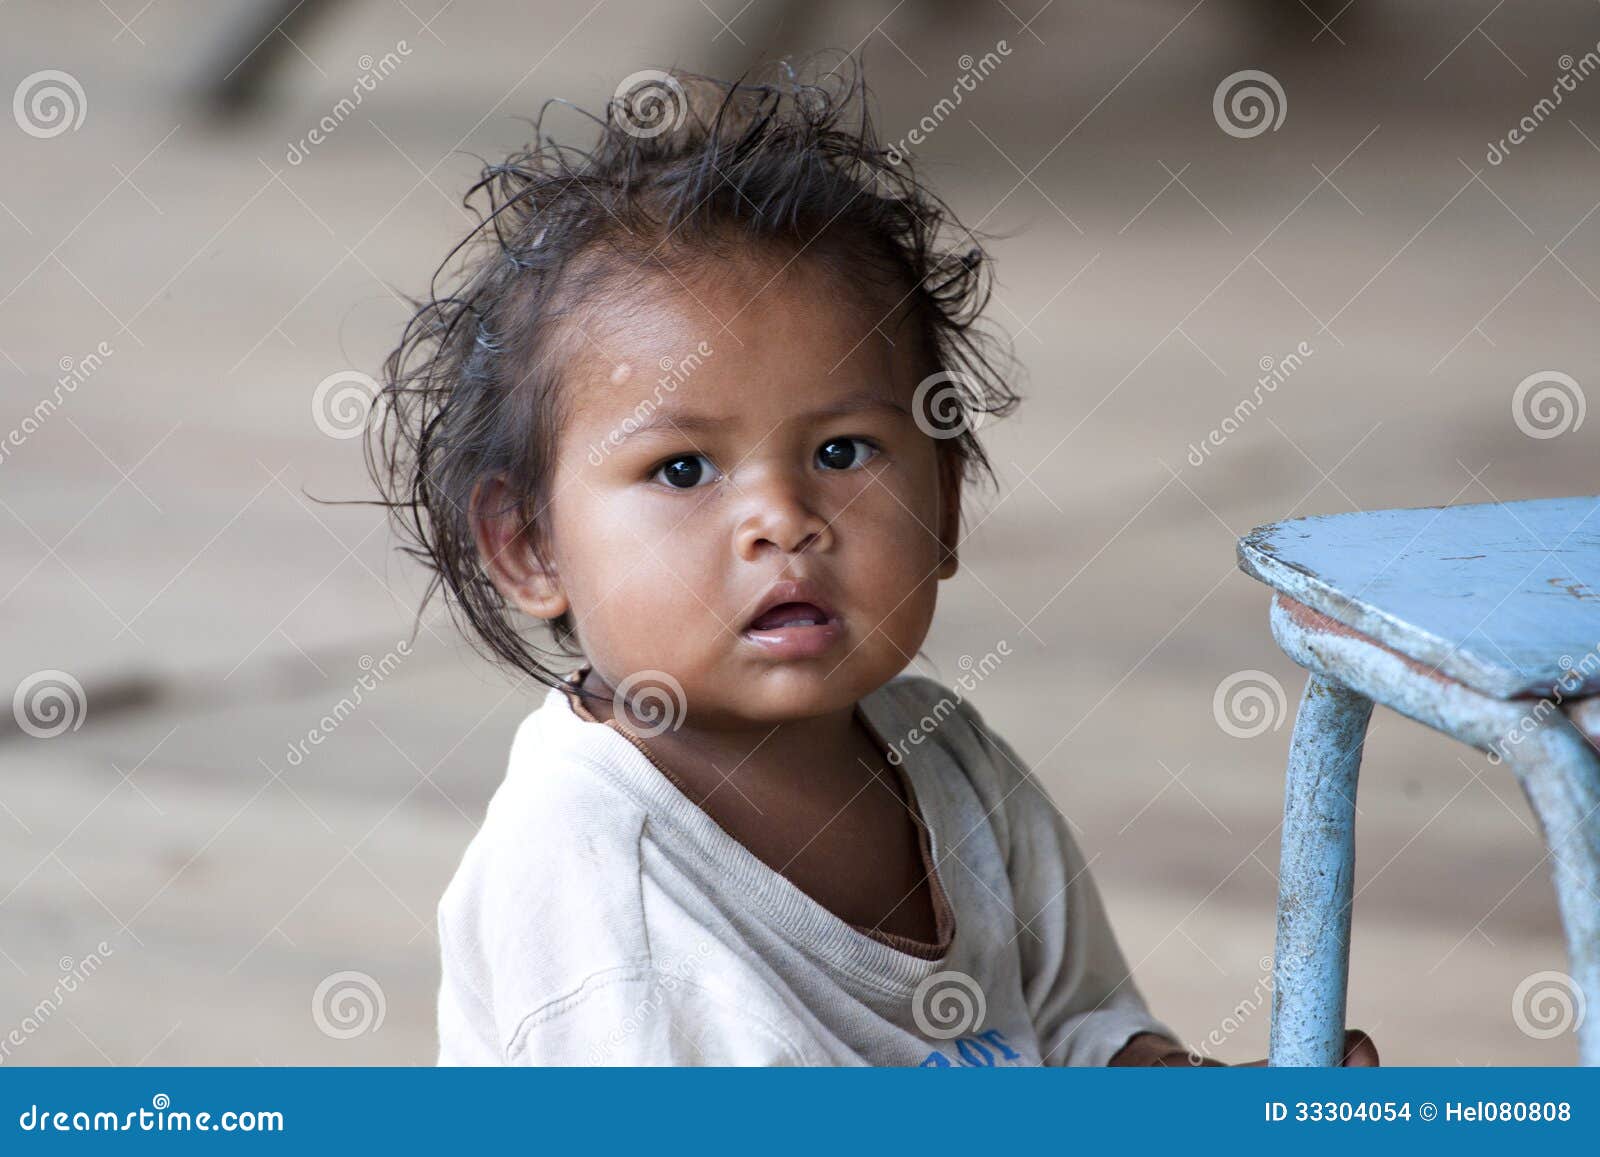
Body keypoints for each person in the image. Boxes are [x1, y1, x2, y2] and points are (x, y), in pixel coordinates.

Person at [369, 63, 1379, 1068]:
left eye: (841, 450)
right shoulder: (595, 888)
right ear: (529, 545)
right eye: (682, 468)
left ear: (944, 501)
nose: (783, 519)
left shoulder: (950, 763)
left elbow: (1072, 1019)